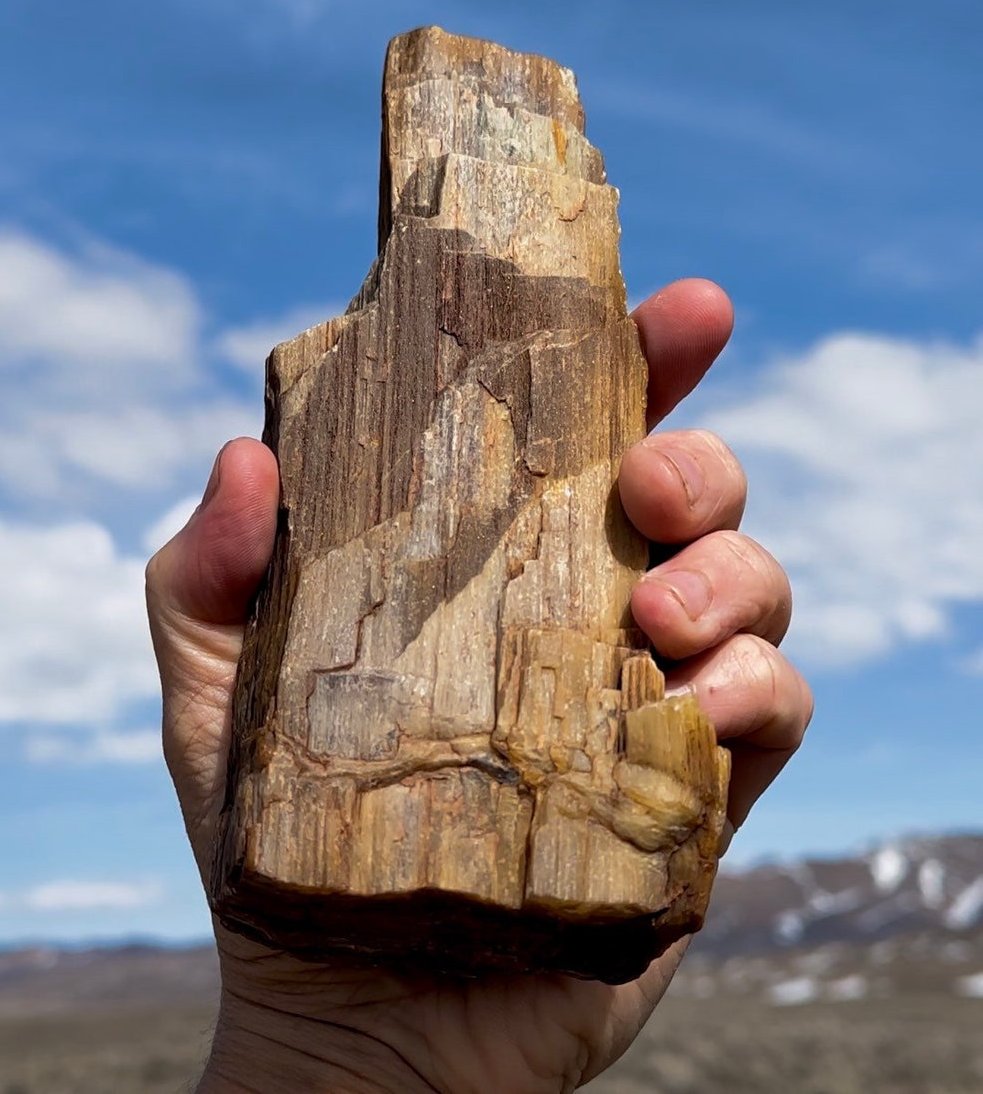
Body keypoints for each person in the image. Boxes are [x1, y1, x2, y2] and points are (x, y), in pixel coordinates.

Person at [146, 278, 812, 1094]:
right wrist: (325, 1057)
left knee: (665, 585)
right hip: (323, 877)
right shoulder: (362, 422)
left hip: (565, 887)